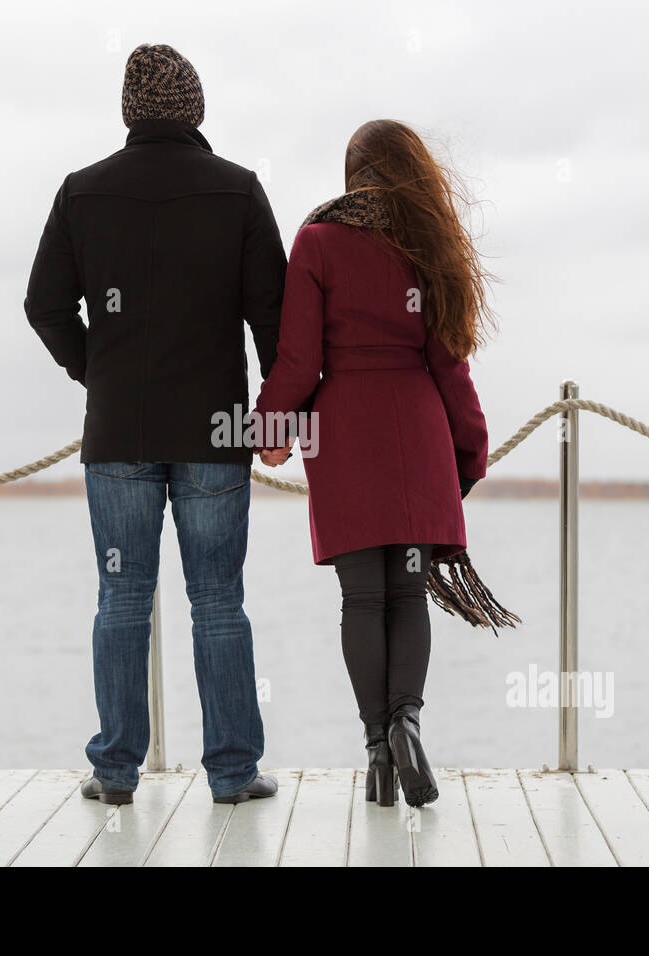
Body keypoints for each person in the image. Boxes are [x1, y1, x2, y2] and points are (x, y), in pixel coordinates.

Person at [25, 44, 286, 805]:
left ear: (128, 112)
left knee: (121, 600)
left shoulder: (82, 193)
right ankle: (233, 773)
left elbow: (44, 306)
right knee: (218, 600)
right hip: (215, 431)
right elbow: (272, 318)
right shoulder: (237, 191)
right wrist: (280, 407)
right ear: (195, 109)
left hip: (119, 434)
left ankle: (114, 771)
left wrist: (93, 369)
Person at [253, 120, 492, 808]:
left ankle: (377, 752)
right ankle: (408, 724)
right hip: (416, 429)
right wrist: (469, 448)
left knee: (362, 599)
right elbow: (450, 362)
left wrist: (271, 427)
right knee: (408, 593)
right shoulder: (427, 246)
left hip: (344, 434)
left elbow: (298, 360)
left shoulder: (318, 240)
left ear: (352, 176)